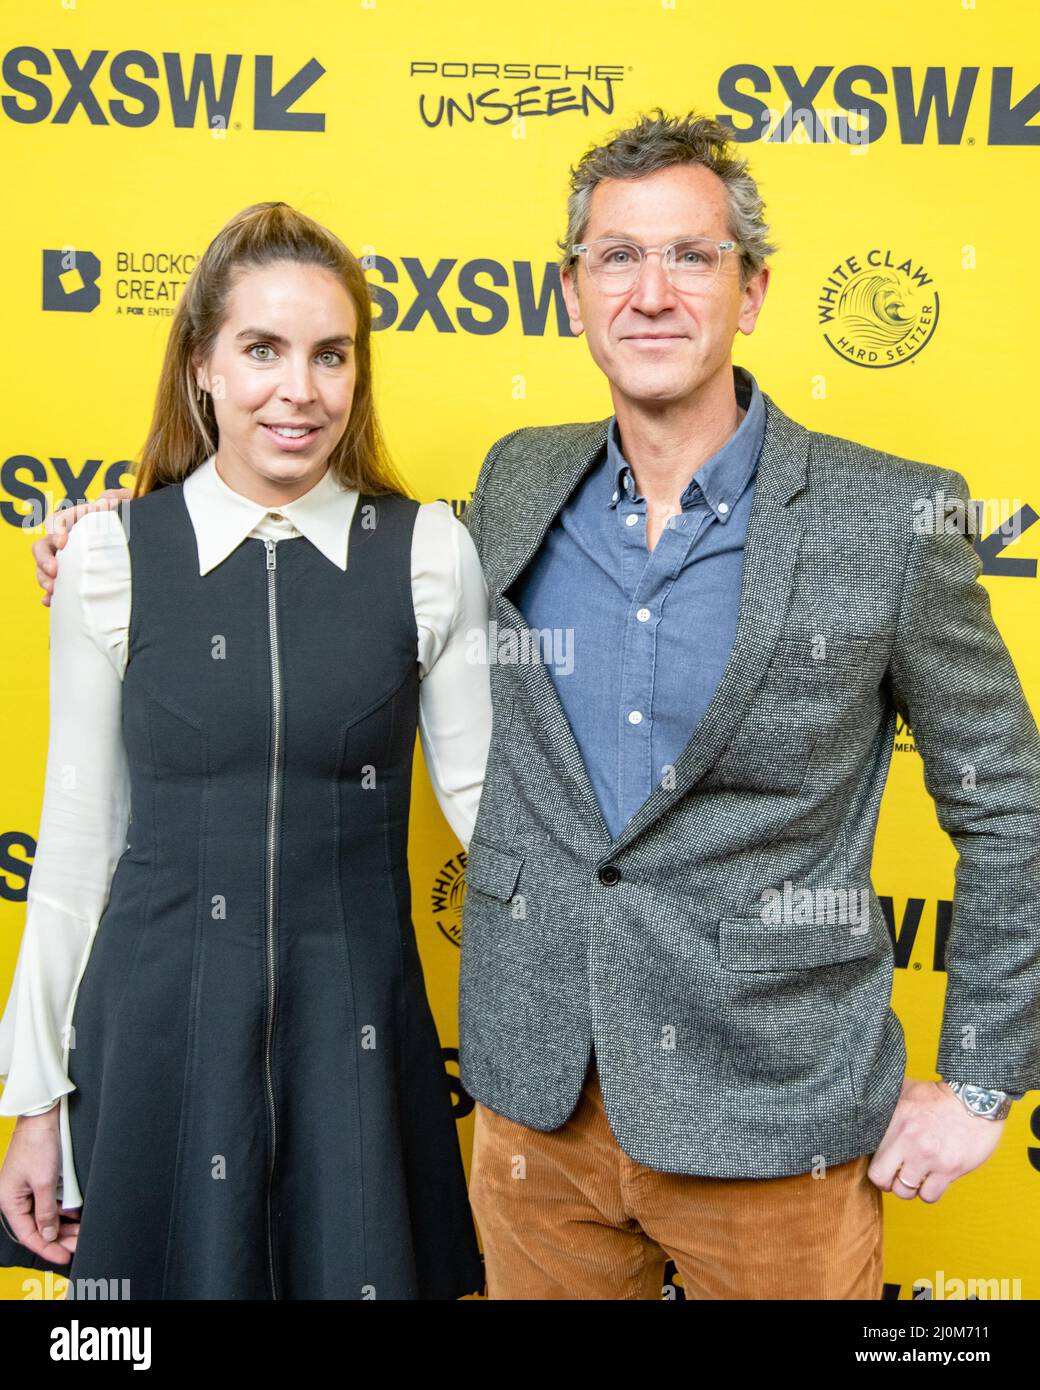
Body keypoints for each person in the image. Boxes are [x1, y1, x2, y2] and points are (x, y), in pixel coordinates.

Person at [454, 110, 1040, 1299]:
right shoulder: (516, 476)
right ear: (572, 293)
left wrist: (980, 1079)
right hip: (535, 1110)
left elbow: (1007, 802)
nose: (650, 291)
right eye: (616, 255)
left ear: (753, 290)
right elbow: (362, 568)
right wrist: (134, 547)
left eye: (690, 255)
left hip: (777, 1118)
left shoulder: (888, 522)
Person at [1, 201, 490, 1300]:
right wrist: (31, 1100)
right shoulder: (105, 557)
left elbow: (493, 819)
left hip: (353, 1044)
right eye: (261, 350)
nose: (299, 389)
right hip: (153, 1040)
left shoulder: (426, 552)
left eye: (331, 355)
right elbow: (77, 849)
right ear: (201, 366)